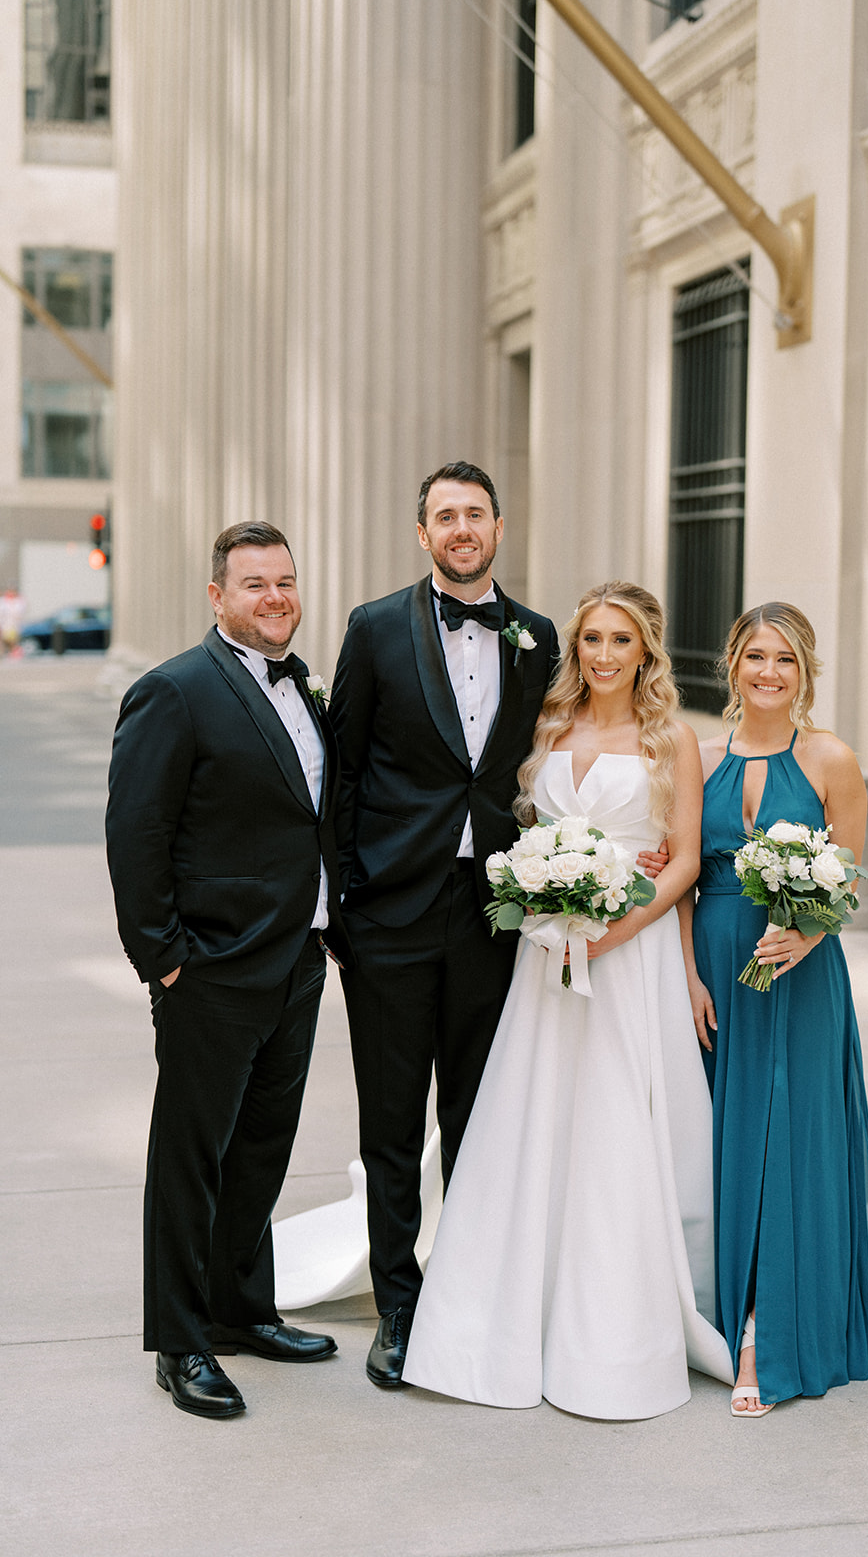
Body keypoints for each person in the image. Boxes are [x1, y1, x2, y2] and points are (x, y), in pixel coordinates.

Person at [402, 582, 735, 1418]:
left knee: (615, 1117)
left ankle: (611, 1331)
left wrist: (619, 931)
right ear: (575, 648)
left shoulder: (672, 739)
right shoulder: (548, 726)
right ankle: (515, 1304)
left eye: (621, 640)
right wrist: (539, 897)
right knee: (539, 1113)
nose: (604, 655)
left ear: (646, 650)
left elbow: (684, 860)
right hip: (546, 952)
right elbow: (520, 834)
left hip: (629, 952)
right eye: (591, 639)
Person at [105, 521, 353, 1420]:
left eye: (284, 581)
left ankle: (241, 1310)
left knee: (260, 1149)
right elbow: (137, 832)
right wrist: (165, 960)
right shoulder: (174, 690)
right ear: (217, 596)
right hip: (210, 969)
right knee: (192, 1158)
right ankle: (180, 1342)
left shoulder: (305, 686)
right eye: (254, 584)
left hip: (297, 961)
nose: (275, 597)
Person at [329, 461, 560, 1389]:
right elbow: (342, 772)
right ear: (422, 534)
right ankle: (398, 1304)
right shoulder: (374, 628)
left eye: (475, 514)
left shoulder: (537, 637)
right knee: (391, 1123)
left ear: (498, 527)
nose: (461, 528)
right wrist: (340, 902)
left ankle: (469, 1295)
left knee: (479, 1115)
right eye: (444, 516)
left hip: (494, 915)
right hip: (389, 912)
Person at [678, 602, 868, 1416]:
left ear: (804, 671)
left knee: (787, 1141)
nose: (768, 672)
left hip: (799, 974)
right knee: (724, 1138)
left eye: (784, 659)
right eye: (755, 656)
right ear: (731, 664)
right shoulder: (697, 757)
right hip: (714, 967)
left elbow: (847, 876)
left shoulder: (830, 758)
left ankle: (764, 1338)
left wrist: (806, 935)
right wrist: (687, 978)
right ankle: (720, 1307)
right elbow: (680, 878)